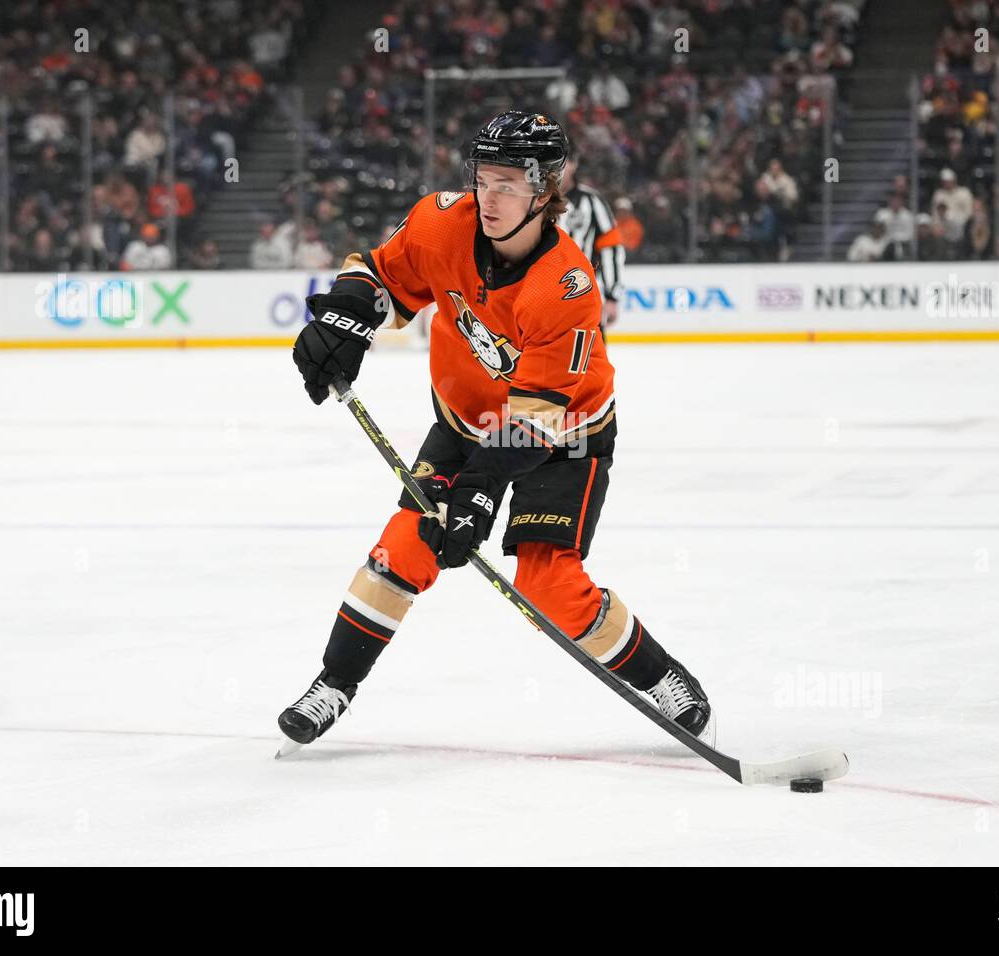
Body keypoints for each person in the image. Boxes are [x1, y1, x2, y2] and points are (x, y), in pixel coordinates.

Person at [279, 111, 714, 747]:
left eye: (509, 183)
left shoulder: (565, 287)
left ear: (545, 192)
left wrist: (478, 491)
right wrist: (343, 322)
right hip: (464, 421)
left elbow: (536, 417)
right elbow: (381, 274)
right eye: (484, 179)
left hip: (566, 435)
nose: (490, 196)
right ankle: (334, 685)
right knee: (401, 550)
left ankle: (659, 675)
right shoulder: (440, 223)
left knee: (547, 583)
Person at [558, 154, 625, 335]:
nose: (558, 168)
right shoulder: (533, 199)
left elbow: (610, 248)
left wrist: (612, 295)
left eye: (564, 162)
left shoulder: (592, 201)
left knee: (592, 360)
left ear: (574, 164)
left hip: (584, 294)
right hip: (540, 295)